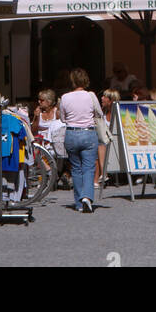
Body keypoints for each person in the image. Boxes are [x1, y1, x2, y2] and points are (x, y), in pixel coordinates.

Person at [58, 68, 104, 213]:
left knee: (76, 169)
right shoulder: (91, 96)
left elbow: (62, 118)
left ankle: (78, 203)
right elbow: (100, 113)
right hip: (88, 133)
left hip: (71, 134)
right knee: (89, 168)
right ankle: (87, 197)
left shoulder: (65, 97)